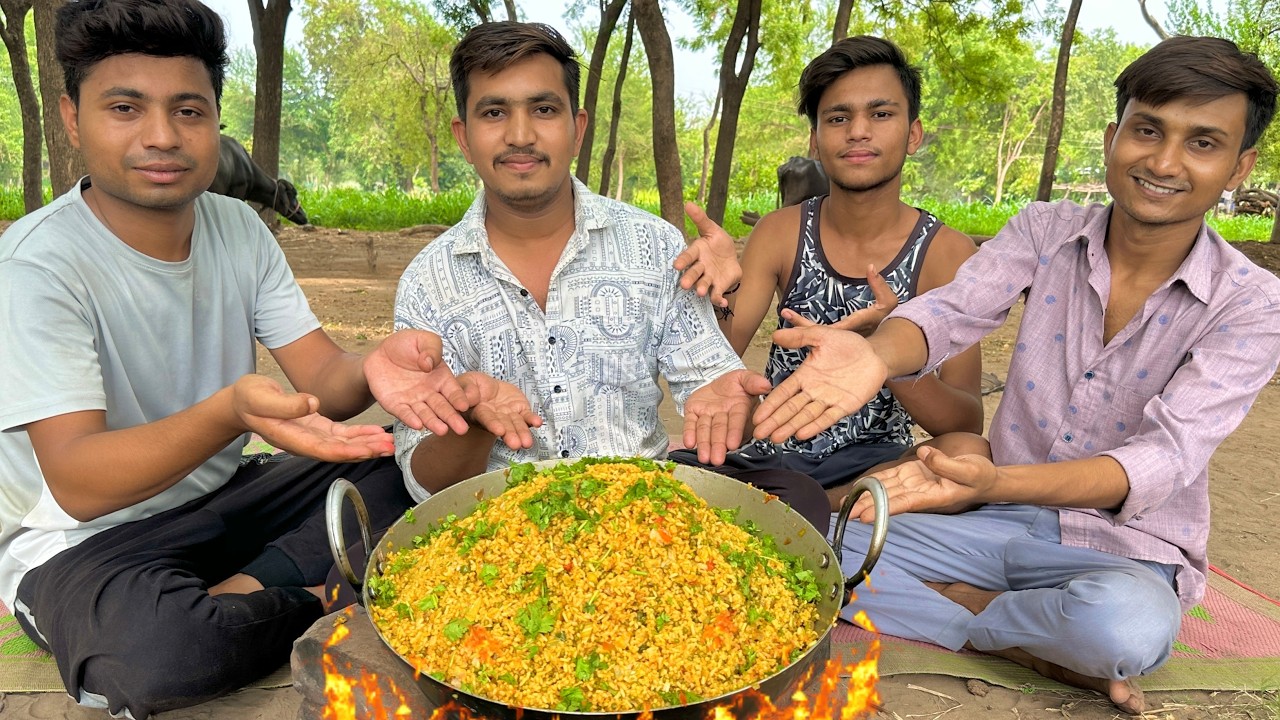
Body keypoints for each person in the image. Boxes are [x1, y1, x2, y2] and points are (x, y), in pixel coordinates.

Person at [751, 36, 1280, 715]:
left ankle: (990, 619)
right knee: (808, 543)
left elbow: (1160, 460)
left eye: (1203, 143)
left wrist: (994, 480)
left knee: (1126, 627)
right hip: (991, 520)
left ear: (1240, 167)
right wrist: (877, 355)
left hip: (1121, 549)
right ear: (1115, 135)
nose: (1165, 161)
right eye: (1148, 130)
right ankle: (1010, 633)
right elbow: (950, 311)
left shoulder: (1253, 304)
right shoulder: (1045, 228)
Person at [0, 1, 473, 716]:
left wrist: (373, 364)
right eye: (125, 108)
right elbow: (78, 482)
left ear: (215, 120)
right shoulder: (38, 267)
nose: (161, 136)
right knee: (158, 652)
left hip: (222, 496)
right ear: (72, 118)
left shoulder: (238, 229)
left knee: (400, 470)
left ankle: (244, 597)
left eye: (188, 111)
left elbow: (322, 381)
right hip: (81, 542)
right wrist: (228, 413)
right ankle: (309, 596)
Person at [391, 21, 831, 533]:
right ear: (463, 138)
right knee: (364, 566)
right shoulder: (428, 280)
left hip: (641, 516)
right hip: (499, 531)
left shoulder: (653, 246)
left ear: (577, 129)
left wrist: (740, 402)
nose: (520, 135)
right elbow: (423, 483)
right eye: (494, 112)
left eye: (543, 109)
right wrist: (469, 421)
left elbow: (714, 390)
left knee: (797, 501)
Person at [671, 36, 984, 510]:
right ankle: (821, 507)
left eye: (881, 114)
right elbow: (722, 351)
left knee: (966, 454)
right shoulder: (782, 231)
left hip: (878, 461)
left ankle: (819, 506)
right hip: (772, 447)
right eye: (838, 117)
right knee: (679, 465)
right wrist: (718, 290)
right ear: (816, 141)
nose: (858, 131)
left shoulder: (947, 253)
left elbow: (964, 421)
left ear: (913, 134)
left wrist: (887, 350)